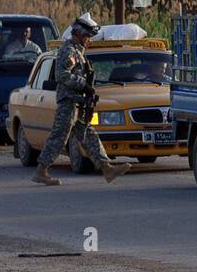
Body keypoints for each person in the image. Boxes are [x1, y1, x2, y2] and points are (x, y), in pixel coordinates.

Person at [32, 14, 130, 186]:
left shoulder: (78, 52)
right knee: (59, 137)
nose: (89, 41)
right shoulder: (68, 50)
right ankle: (41, 171)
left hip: (78, 102)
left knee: (88, 134)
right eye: (87, 37)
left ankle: (107, 168)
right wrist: (83, 85)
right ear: (78, 34)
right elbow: (61, 75)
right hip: (68, 102)